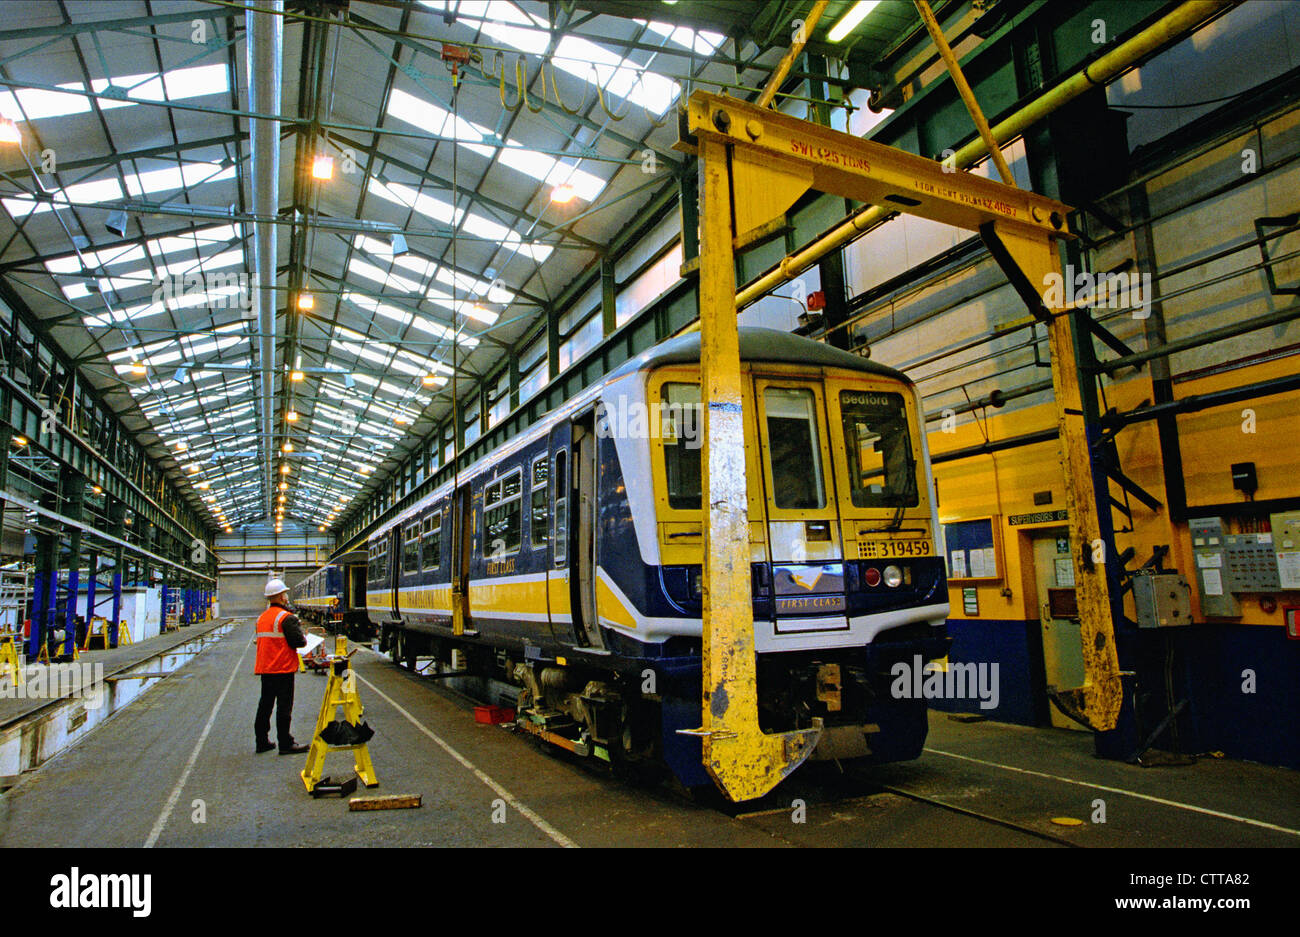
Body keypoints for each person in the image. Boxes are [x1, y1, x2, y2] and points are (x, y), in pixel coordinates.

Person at [254, 579, 308, 754]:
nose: (286, 596)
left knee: (265, 705)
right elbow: (299, 642)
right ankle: (285, 743)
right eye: (285, 593)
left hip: (266, 669)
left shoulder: (262, 618)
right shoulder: (286, 618)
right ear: (280, 597)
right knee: (284, 707)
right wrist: (302, 633)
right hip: (283, 668)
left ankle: (261, 742)